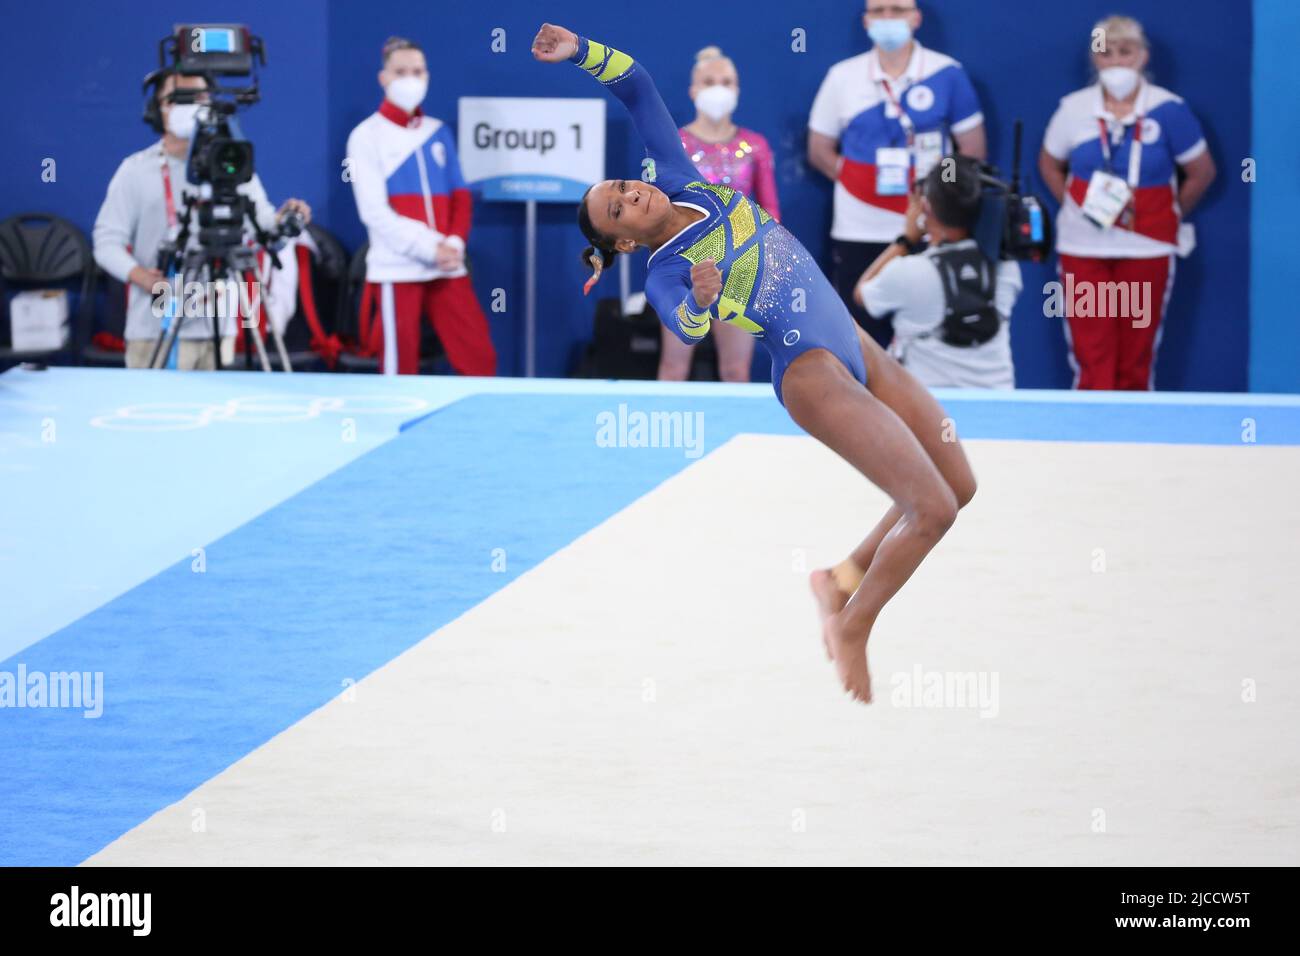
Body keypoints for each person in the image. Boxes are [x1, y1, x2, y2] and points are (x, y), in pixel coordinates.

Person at [533, 23, 977, 704]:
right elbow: (682, 320)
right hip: (810, 372)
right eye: (619, 208)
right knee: (931, 511)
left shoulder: (681, 178)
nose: (633, 195)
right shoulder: (662, 271)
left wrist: (581, 52)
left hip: (853, 341)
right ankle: (853, 624)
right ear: (620, 241)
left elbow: (638, 87)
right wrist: (701, 304)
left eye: (623, 184)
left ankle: (841, 576)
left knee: (958, 484)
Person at [1038, 15, 1216, 390]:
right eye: (1107, 53)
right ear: (1094, 59)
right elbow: (1049, 163)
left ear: (1143, 56)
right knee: (1092, 355)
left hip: (1145, 247)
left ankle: (1136, 436)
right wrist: (1075, 205)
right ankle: (1090, 436)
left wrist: (1166, 212)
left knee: (1136, 356)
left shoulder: (1169, 110)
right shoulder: (1074, 109)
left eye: (1126, 52)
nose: (1116, 61)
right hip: (1083, 247)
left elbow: (1201, 172)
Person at [92, 70, 310, 369]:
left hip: (218, 328)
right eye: (176, 98)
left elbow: (263, 228)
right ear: (158, 108)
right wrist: (139, 275)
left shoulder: (232, 167)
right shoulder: (135, 170)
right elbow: (106, 243)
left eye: (197, 97)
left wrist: (286, 221)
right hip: (154, 331)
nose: (188, 106)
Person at [808, 0, 987, 348]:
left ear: (916, 18)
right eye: (879, 11)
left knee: (929, 333)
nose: (888, 18)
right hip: (858, 227)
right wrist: (857, 183)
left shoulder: (947, 72)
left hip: (930, 228)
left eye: (898, 9)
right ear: (865, 21)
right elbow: (819, 149)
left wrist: (939, 199)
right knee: (859, 336)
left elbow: (972, 151)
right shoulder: (842, 76)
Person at [345, 36, 497, 377]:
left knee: (480, 358)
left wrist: (454, 244)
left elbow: (460, 195)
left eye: (418, 71)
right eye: (401, 71)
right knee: (399, 370)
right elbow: (373, 211)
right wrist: (430, 247)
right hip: (397, 267)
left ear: (427, 76)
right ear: (383, 78)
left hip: (447, 265)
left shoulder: (438, 131)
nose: (410, 79)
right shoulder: (365, 136)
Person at [659, 45, 781, 383]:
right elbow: (661, 208)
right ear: (694, 90)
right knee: (673, 366)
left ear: (737, 89)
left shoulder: (755, 145)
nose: (718, 88)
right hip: (685, 262)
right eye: (709, 81)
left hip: (739, 264)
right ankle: (662, 432)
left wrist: (762, 257)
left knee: (735, 369)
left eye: (726, 81)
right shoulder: (675, 143)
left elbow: (770, 210)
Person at [855, 157, 1022, 389]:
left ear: (924, 207)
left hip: (928, 414)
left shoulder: (908, 273)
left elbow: (862, 292)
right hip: (1001, 405)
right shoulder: (1007, 271)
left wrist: (906, 239)